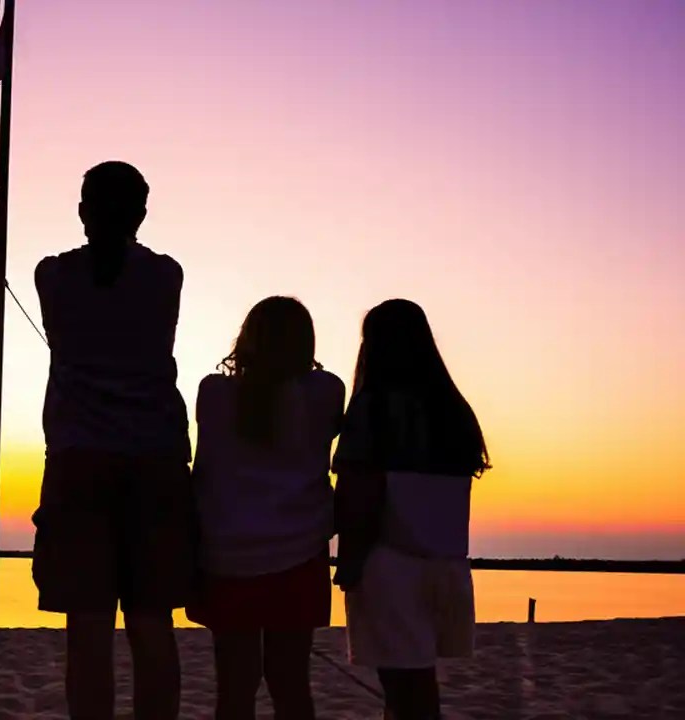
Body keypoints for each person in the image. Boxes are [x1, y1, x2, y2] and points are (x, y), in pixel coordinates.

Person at [31, 161, 193, 720]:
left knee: (89, 628)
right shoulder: (166, 275)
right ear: (142, 214)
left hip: (79, 461)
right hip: (156, 461)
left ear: (82, 212)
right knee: (152, 622)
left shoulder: (52, 275)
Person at [332, 299, 490, 720]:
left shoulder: (374, 408)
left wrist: (348, 561)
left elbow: (359, 494)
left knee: (402, 688)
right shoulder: (453, 411)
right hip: (448, 564)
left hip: (390, 563)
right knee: (418, 685)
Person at [188, 297, 345, 720]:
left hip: (227, 558)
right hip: (299, 556)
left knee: (235, 687)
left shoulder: (214, 392)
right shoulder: (326, 392)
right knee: (291, 683)